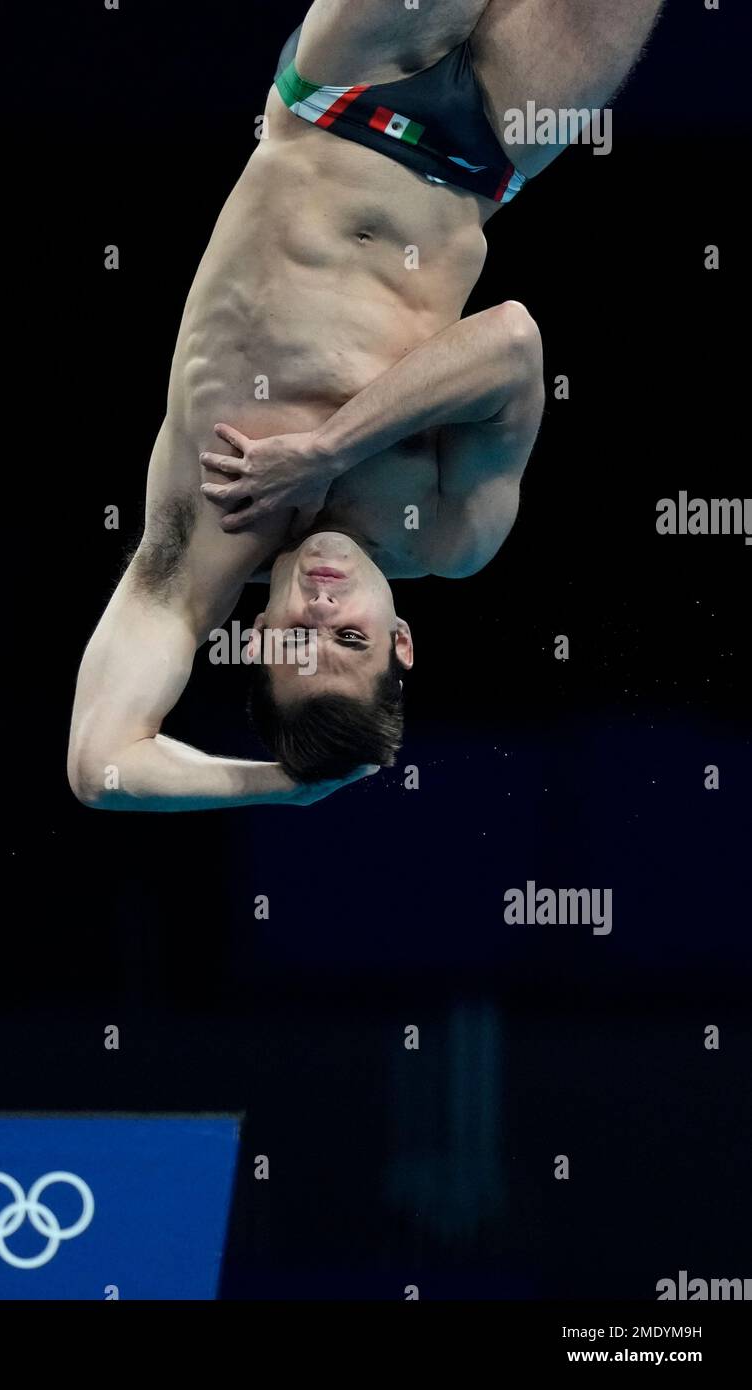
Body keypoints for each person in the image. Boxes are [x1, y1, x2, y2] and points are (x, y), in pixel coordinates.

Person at [68, 0, 663, 811]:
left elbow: (99, 770)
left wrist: (286, 788)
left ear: (251, 639)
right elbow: (513, 344)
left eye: (293, 639)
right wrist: (327, 451)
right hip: (494, 150)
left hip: (343, 95)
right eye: (349, 637)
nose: (320, 605)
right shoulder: (452, 534)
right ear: (400, 641)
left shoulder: (196, 540)